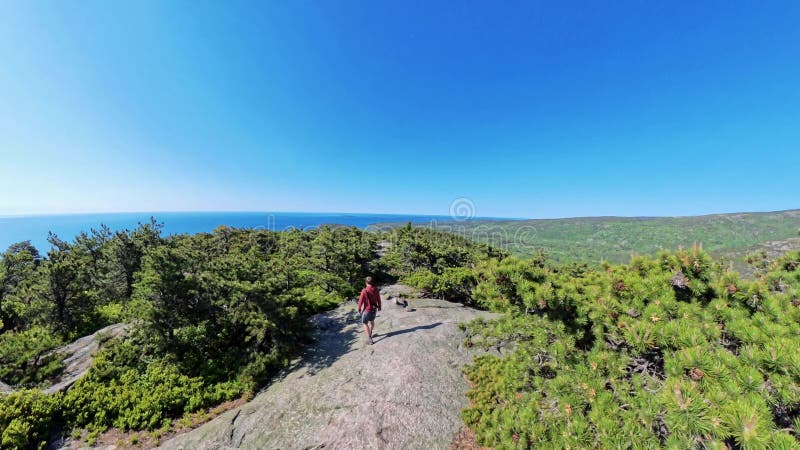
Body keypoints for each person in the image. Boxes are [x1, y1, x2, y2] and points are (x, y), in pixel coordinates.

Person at [358, 276, 382, 345]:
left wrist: (359, 309)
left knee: (365, 323)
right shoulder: (376, 289)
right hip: (374, 309)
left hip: (367, 310)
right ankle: (370, 332)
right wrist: (379, 307)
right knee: (372, 321)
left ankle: (369, 339)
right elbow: (379, 299)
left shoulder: (364, 290)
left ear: (366, 282)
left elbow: (360, 301)